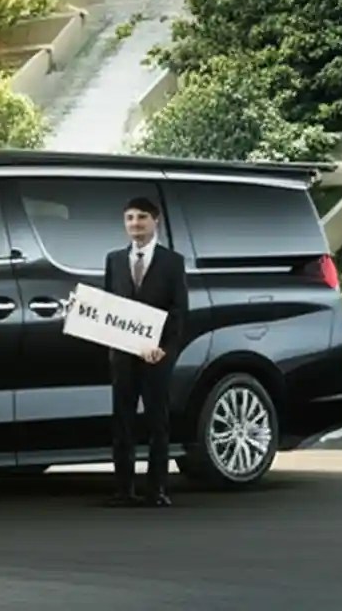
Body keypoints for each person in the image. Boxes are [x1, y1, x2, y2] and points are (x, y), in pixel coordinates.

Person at [101, 196, 188, 508]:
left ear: (155, 221)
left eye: (141, 218)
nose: (135, 224)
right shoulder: (113, 260)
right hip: (122, 355)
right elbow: (109, 307)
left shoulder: (172, 262)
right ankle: (123, 489)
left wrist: (164, 350)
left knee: (157, 423)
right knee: (122, 422)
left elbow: (179, 313)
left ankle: (158, 489)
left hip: (156, 357)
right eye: (129, 218)